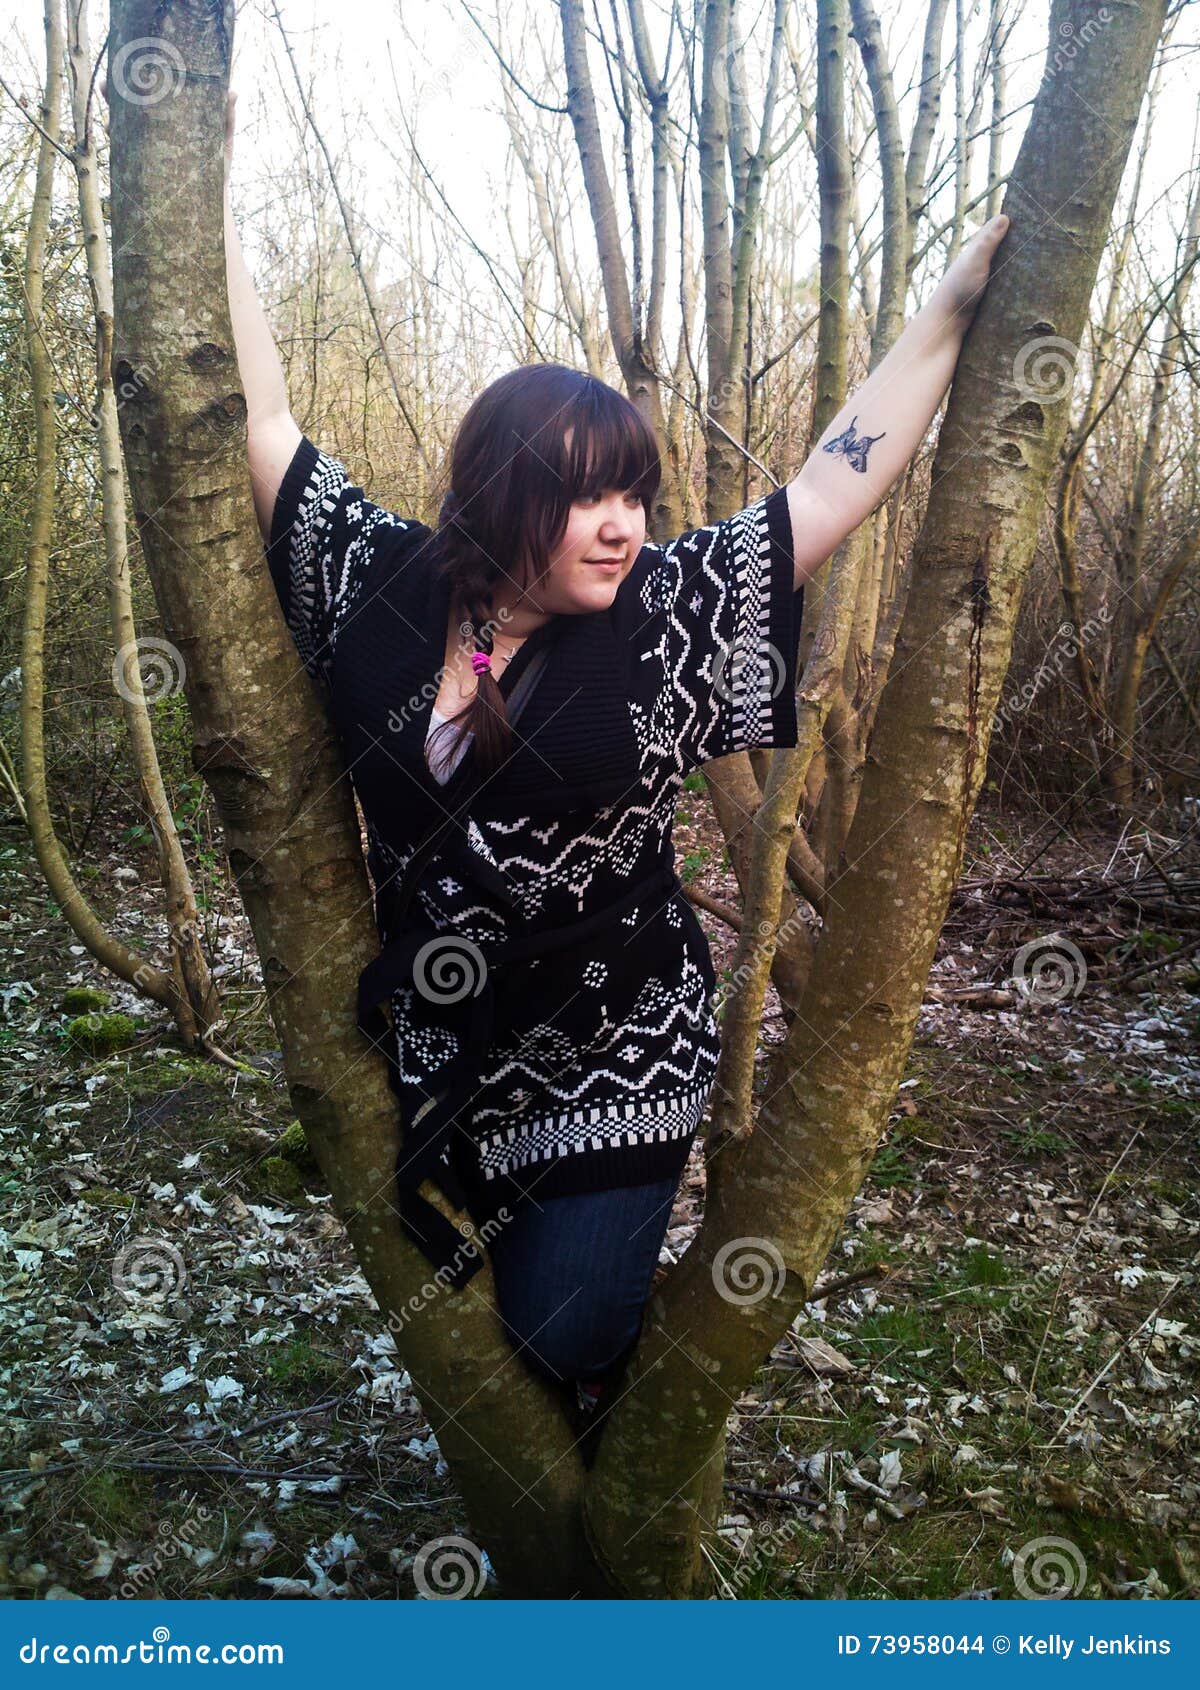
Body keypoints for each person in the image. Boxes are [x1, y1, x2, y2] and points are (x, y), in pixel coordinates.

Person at [223, 90, 1008, 1424]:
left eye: (635, 492)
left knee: (561, 1320)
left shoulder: (659, 621)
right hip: (446, 1034)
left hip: (616, 1041)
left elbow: (828, 485)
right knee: (464, 1300)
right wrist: (205, 198)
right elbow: (259, 425)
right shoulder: (385, 588)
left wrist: (943, 311)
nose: (622, 525)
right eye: (585, 494)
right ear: (500, 495)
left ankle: (605, 1463)